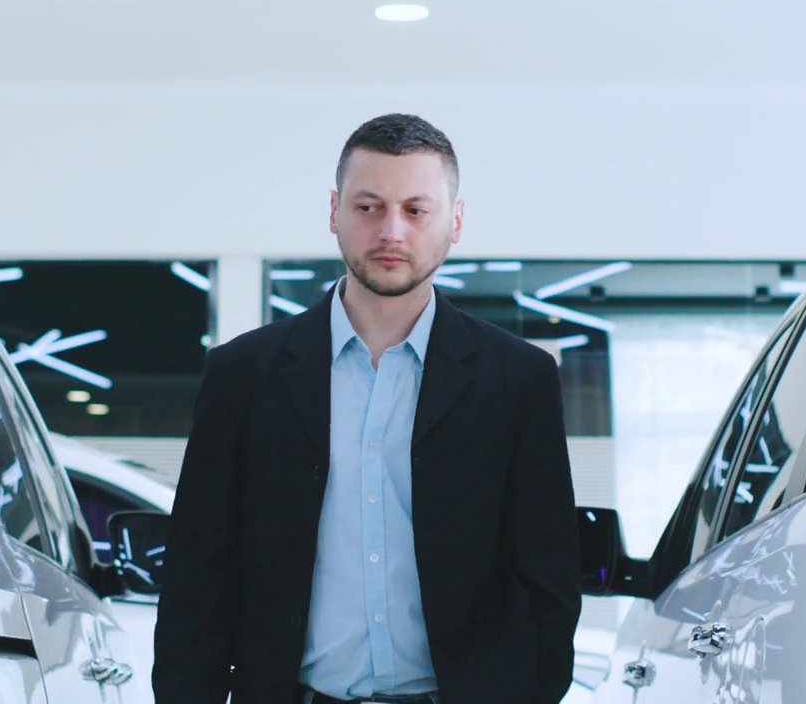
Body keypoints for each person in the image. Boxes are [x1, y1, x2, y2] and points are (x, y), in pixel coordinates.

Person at [153, 113, 580, 704]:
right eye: (368, 207)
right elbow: (196, 575)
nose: (391, 232)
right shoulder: (243, 376)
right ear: (334, 213)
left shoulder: (519, 380)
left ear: (454, 222)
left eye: (415, 209)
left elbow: (549, 575)